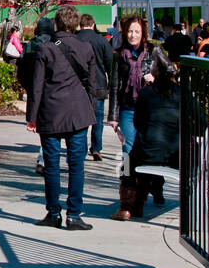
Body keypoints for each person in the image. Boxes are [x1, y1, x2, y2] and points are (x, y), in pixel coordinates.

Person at [26, 5, 98, 230]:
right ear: (76, 24)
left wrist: (32, 116)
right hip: (78, 113)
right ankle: (74, 215)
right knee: (76, 165)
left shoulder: (45, 49)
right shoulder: (86, 48)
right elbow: (93, 84)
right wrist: (90, 110)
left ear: (56, 23)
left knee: (52, 165)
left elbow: (36, 86)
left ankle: (53, 212)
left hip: (51, 113)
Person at [108, 14, 174, 217]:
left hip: (151, 109)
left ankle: (154, 187)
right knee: (129, 150)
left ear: (143, 32)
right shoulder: (118, 55)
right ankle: (127, 204)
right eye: (129, 31)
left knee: (148, 153)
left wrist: (156, 78)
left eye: (136, 31)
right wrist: (113, 116)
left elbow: (172, 71)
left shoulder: (154, 51)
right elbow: (115, 87)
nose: (133, 35)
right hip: (128, 109)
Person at [112, 61, 181, 220]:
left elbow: (138, 122)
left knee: (129, 163)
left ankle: (127, 207)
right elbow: (203, 121)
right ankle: (146, 200)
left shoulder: (146, 93)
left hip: (150, 152)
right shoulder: (183, 94)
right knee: (144, 160)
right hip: (178, 156)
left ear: (154, 75)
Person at [18, 17, 56, 175]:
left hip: (35, 92)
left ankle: (43, 159)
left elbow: (21, 71)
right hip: (53, 92)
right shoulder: (56, 44)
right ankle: (45, 158)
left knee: (44, 129)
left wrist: (30, 88)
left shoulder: (30, 45)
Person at [76, 13, 112, 162]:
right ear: (93, 24)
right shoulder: (101, 41)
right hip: (99, 84)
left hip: (80, 85)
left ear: (80, 25)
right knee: (97, 118)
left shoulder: (75, 39)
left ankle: (82, 149)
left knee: (82, 118)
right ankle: (96, 148)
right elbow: (110, 63)